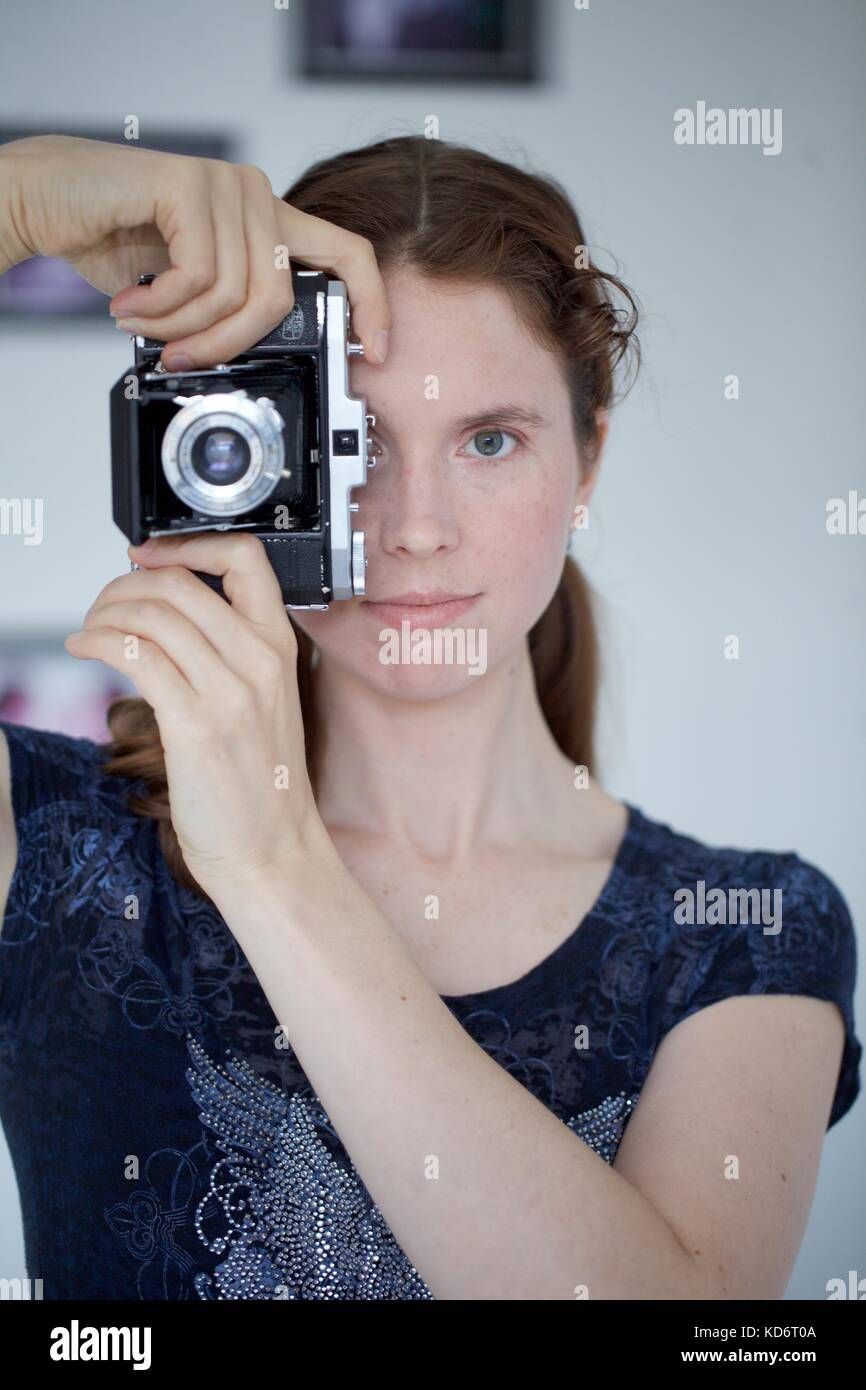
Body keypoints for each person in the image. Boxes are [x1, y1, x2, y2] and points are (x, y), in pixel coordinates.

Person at [0, 132, 859, 1302]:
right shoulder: (52, 847)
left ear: (587, 459)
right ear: (249, 446)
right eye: (348, 441)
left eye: (488, 440)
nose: (411, 527)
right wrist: (20, 197)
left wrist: (274, 864)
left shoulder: (744, 930)